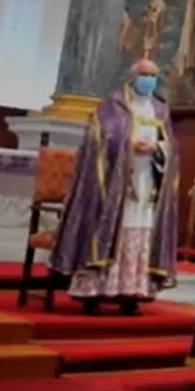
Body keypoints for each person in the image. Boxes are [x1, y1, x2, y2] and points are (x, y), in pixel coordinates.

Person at [49, 58, 181, 315]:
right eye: (145, 74)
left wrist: (158, 149)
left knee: (140, 233)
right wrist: (127, 145)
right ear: (133, 77)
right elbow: (99, 139)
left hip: (148, 181)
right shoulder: (113, 106)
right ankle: (94, 294)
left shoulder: (160, 109)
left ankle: (131, 294)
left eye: (154, 75)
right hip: (113, 185)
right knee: (112, 230)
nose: (149, 80)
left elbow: (172, 146)